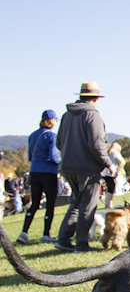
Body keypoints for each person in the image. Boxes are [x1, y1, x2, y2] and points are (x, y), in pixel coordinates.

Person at [54, 82, 116, 253]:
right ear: (96, 99)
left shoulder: (67, 115)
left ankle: (63, 239)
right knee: (88, 205)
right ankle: (81, 244)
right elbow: (97, 145)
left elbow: (59, 142)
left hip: (67, 166)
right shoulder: (92, 115)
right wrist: (108, 164)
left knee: (76, 203)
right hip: (87, 169)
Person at [17, 110, 62, 245]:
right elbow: (54, 156)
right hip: (48, 171)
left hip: (34, 171)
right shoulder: (51, 136)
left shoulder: (33, 135)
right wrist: (62, 163)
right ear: (52, 121)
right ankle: (46, 233)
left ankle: (24, 232)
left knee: (35, 202)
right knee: (50, 203)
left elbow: (30, 156)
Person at [101, 142, 126, 209]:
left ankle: (107, 204)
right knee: (111, 189)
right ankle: (108, 205)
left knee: (109, 188)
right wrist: (119, 168)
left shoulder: (108, 153)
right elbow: (123, 162)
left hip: (106, 173)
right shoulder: (115, 153)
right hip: (111, 173)